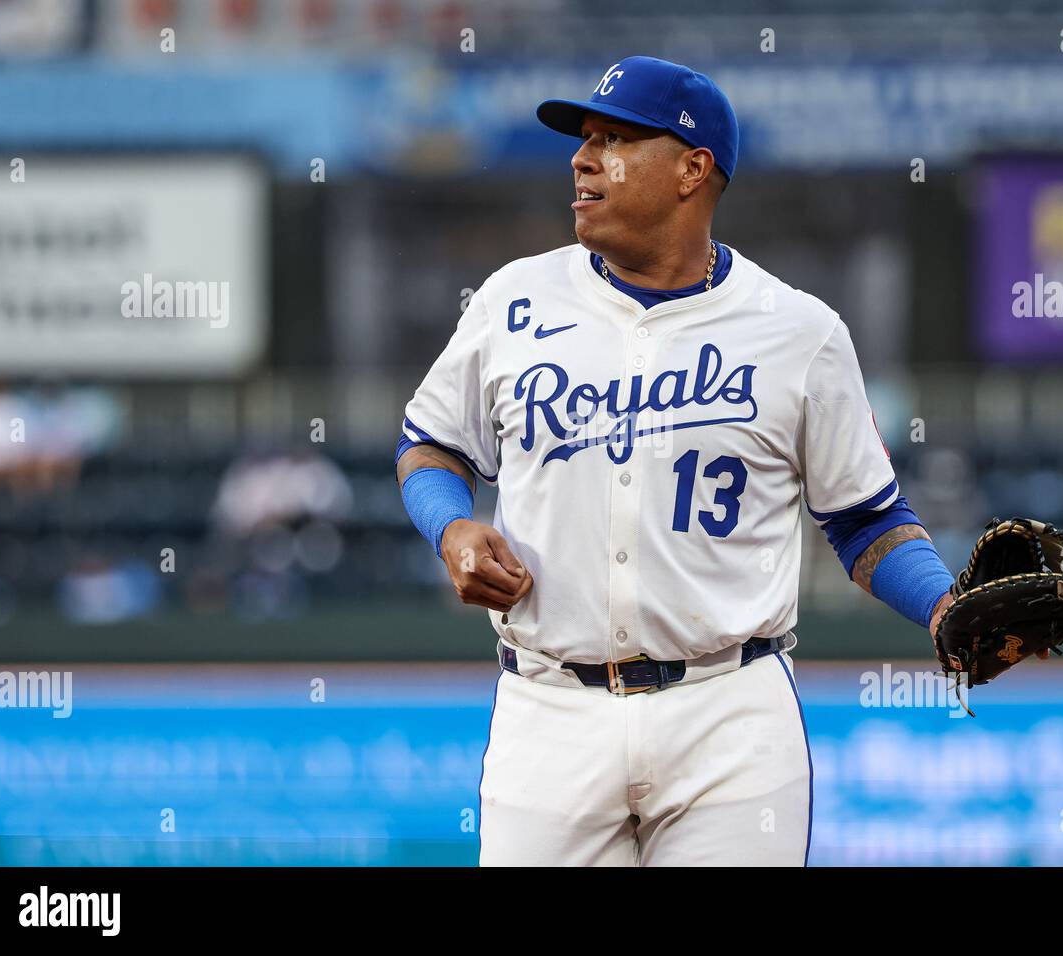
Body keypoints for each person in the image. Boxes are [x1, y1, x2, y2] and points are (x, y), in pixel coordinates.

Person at [396, 56, 959, 866]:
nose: (581, 160)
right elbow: (430, 444)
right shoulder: (513, 301)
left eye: (614, 138)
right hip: (550, 708)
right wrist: (451, 528)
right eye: (583, 140)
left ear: (694, 168)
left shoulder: (798, 331)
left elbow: (865, 517)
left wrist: (945, 611)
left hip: (728, 715)